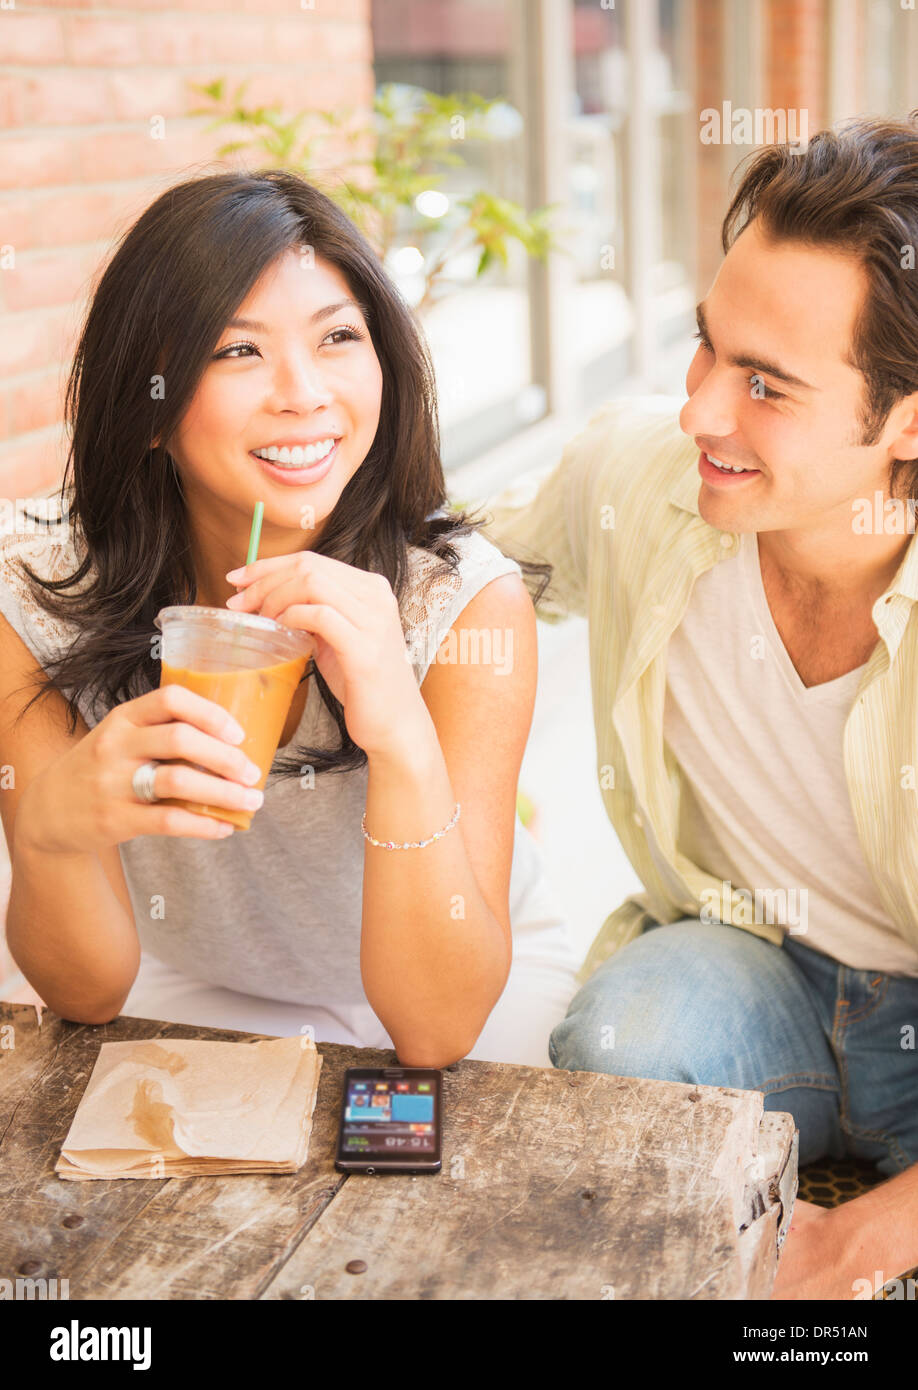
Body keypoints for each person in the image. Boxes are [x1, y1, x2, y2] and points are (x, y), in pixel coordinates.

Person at [0, 169, 579, 1069]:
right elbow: (89, 991)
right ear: (148, 409)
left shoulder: (462, 609)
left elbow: (436, 1028)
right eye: (238, 352)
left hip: (438, 984)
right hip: (181, 976)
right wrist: (50, 828)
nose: (304, 393)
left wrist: (399, 729)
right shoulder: (38, 600)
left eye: (338, 336)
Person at [483, 114, 918, 1297]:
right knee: (626, 1039)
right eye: (706, 348)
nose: (699, 413)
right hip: (766, 970)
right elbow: (443, 569)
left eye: (766, 384)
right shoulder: (641, 486)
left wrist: (864, 1241)